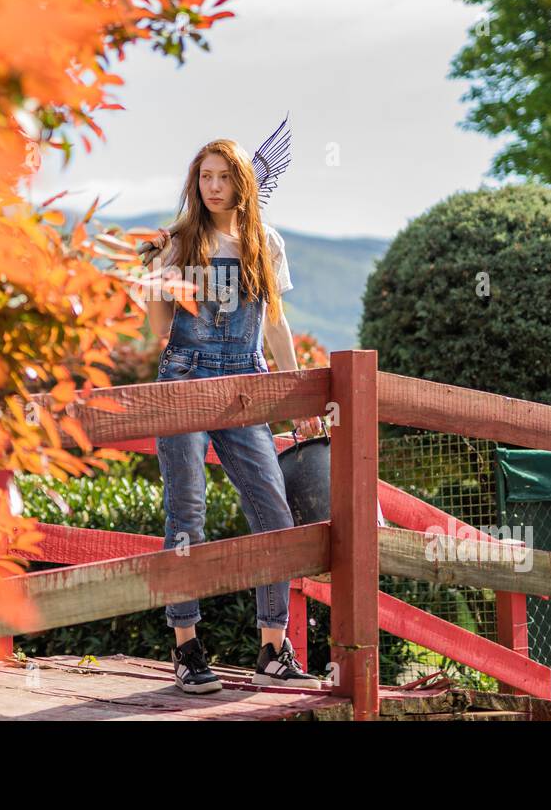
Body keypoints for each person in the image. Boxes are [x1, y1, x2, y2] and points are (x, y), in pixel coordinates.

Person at [142, 137, 325, 694]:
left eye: (223, 176)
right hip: (185, 376)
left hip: (247, 380)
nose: (213, 186)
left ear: (242, 182)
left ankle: (272, 650)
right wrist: (152, 278)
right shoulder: (179, 240)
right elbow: (159, 331)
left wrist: (299, 398)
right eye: (205, 177)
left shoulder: (265, 242)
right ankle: (188, 648)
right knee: (187, 513)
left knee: (273, 512)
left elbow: (274, 326)